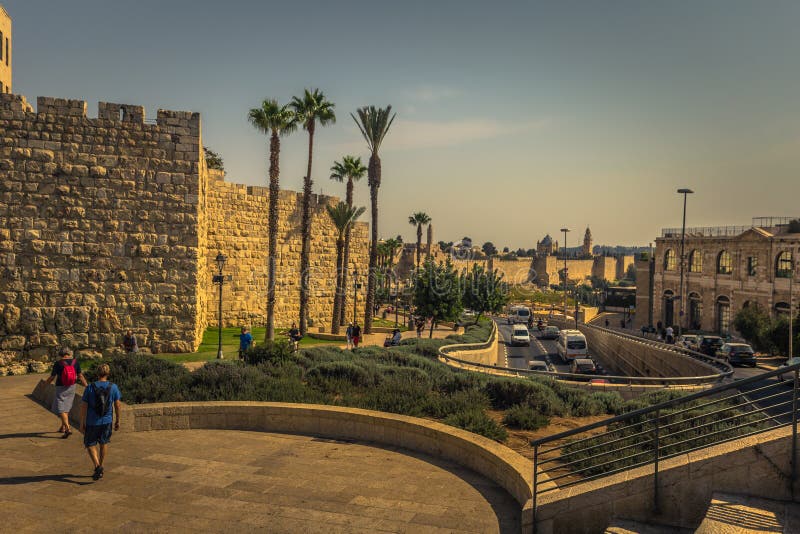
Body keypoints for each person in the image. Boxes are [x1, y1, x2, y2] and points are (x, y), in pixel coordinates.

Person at [80, 364, 122, 481]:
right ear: (108, 374)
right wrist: (118, 420)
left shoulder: (90, 388)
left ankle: (97, 466)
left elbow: (83, 406)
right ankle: (101, 465)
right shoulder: (113, 387)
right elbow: (117, 405)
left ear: (97, 373)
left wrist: (82, 422)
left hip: (92, 421)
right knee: (104, 443)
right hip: (107, 420)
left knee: (90, 444)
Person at [45, 347, 88, 438]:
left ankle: (68, 428)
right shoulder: (75, 362)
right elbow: (80, 376)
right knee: (66, 407)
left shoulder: (58, 363)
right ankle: (63, 427)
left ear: (61, 354)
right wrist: (87, 386)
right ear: (69, 354)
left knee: (60, 408)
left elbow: (52, 377)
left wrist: (46, 383)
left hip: (61, 387)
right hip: (72, 387)